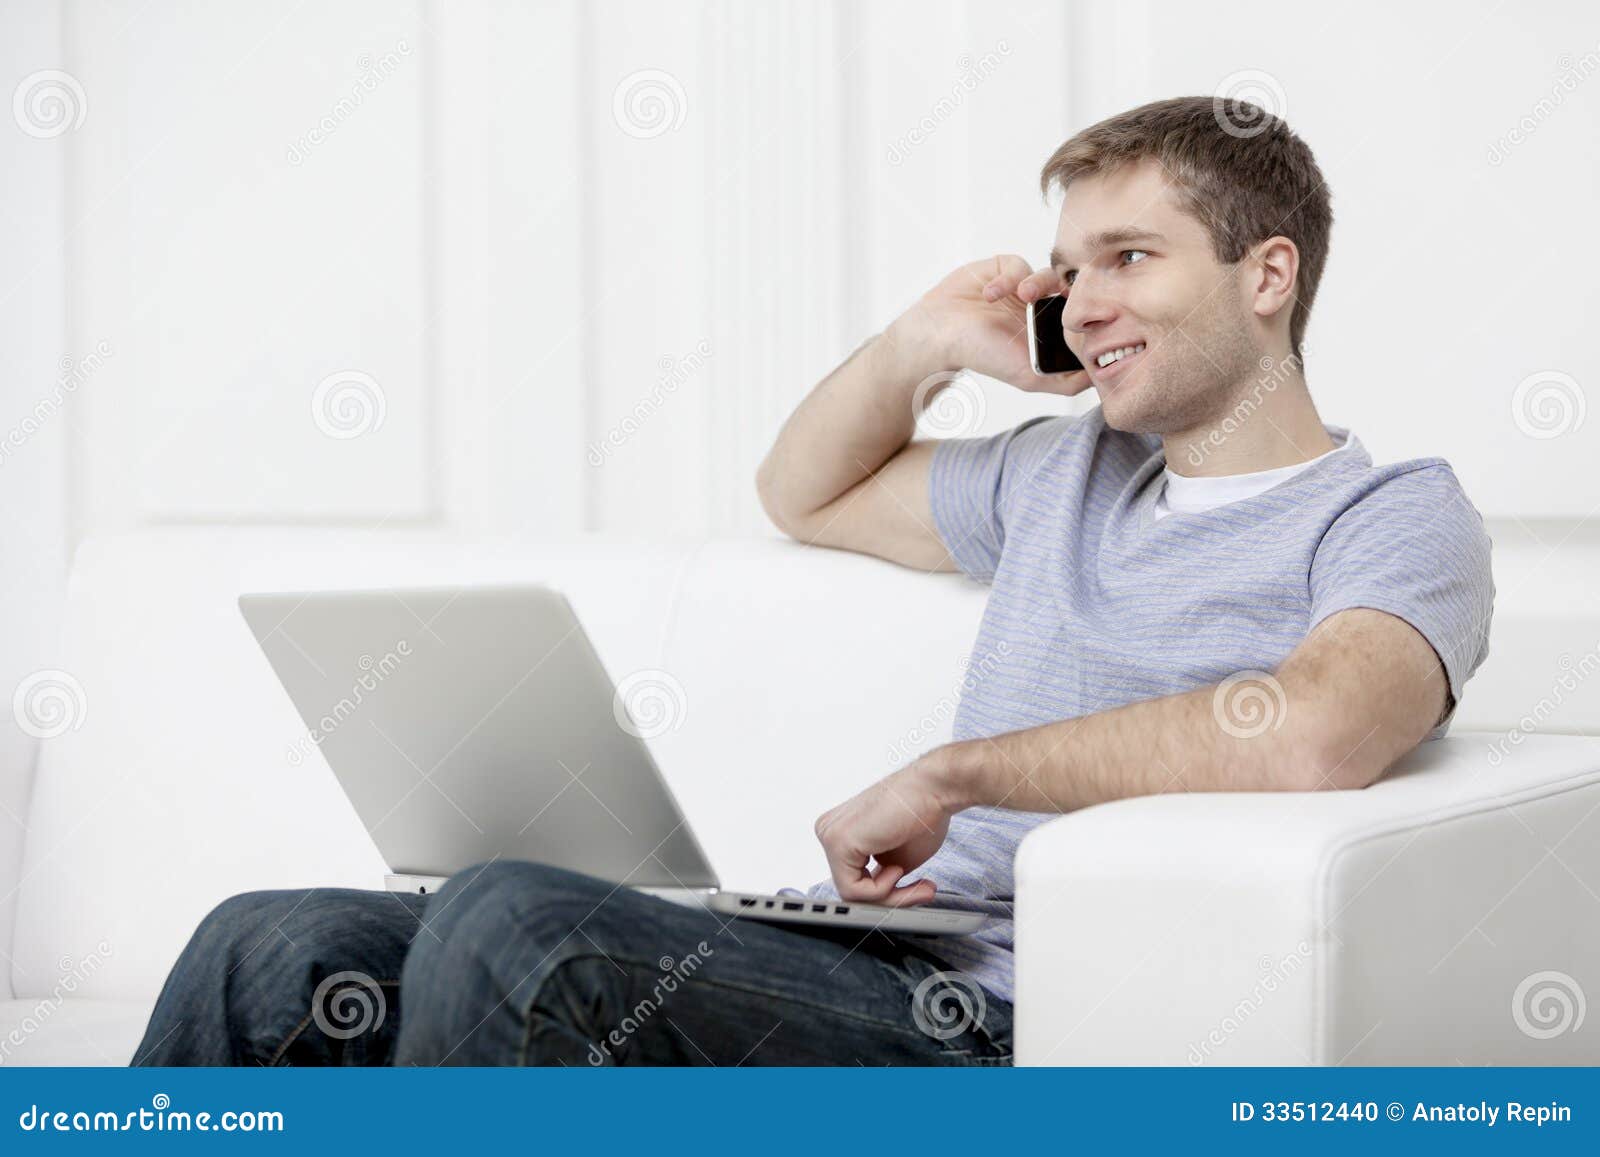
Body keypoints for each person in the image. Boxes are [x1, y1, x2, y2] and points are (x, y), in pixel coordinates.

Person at [133, 95, 1493, 1067]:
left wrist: (962, 774)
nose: (1080, 303)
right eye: (1069, 270)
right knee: (271, 944)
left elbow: (1317, 722)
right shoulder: (1059, 474)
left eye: (1129, 258)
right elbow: (806, 489)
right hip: (889, 958)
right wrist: (922, 344)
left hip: (1011, 1024)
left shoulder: (1391, 513)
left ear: (1269, 276)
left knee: (511, 922)